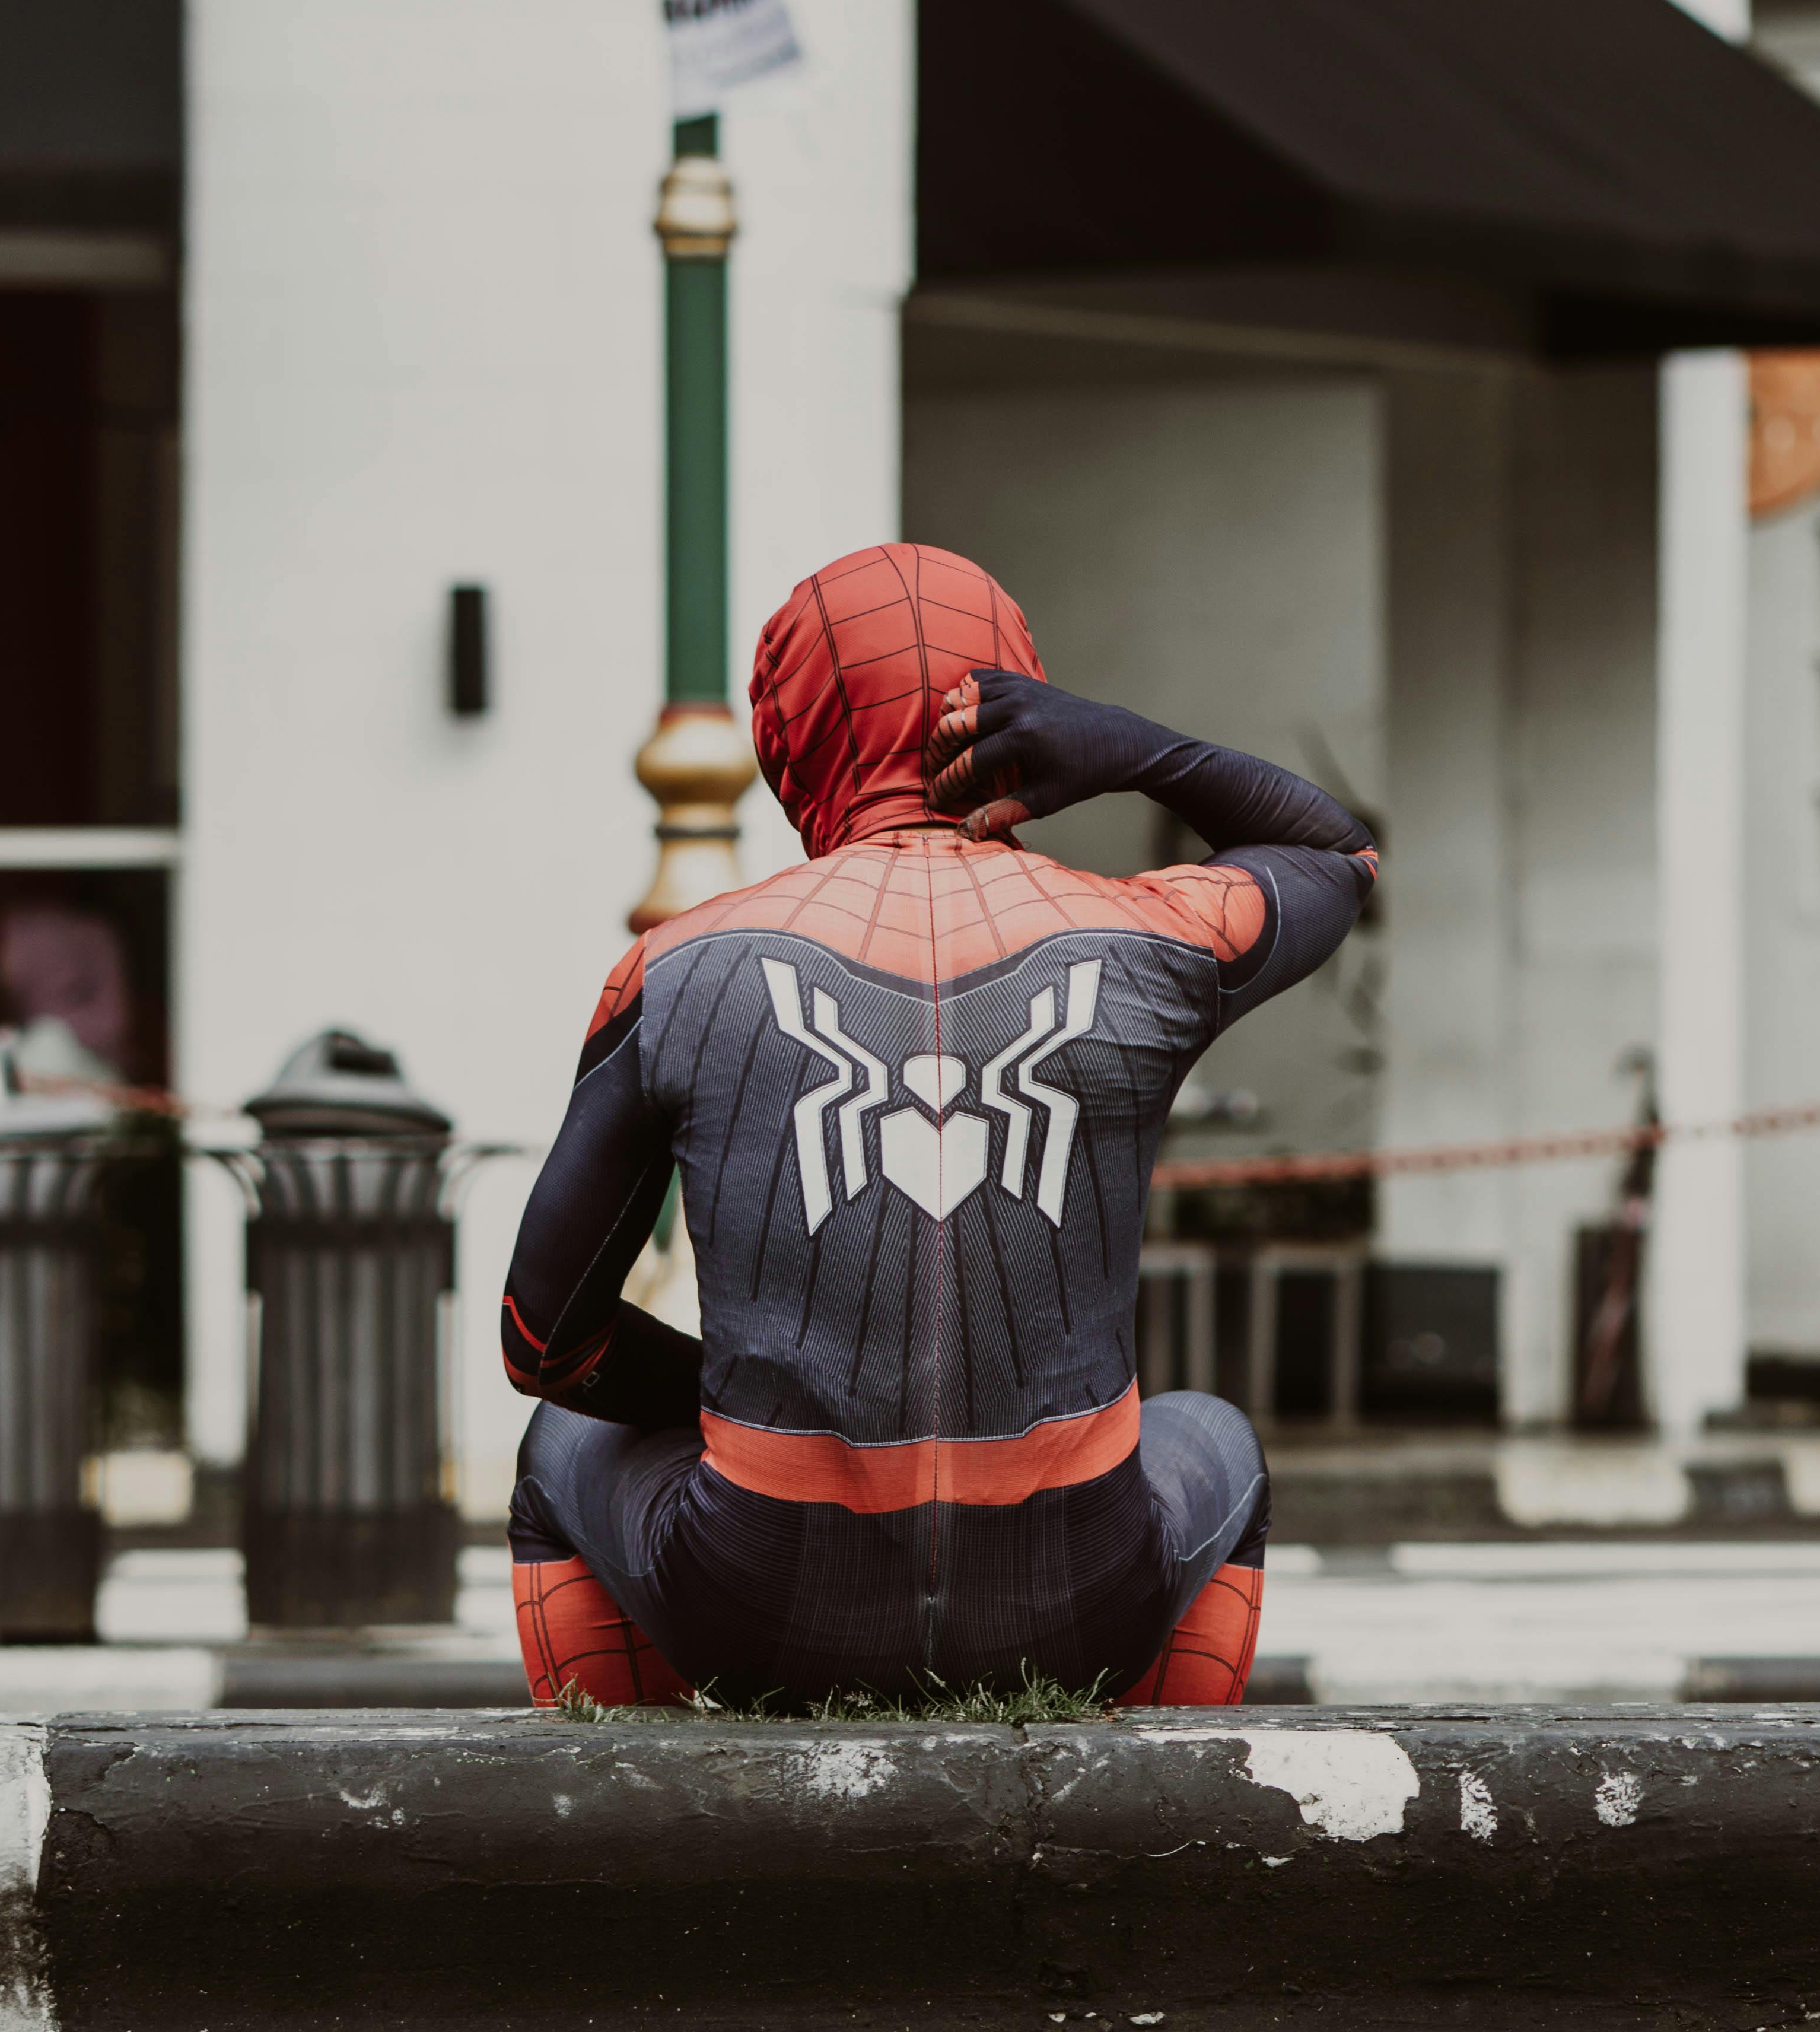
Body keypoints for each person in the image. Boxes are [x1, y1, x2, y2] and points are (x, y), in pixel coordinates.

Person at [502, 539, 1376, 1709]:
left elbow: (539, 1338)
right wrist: (1132, 749)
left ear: (788, 732)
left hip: (757, 1607)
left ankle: (632, 1839)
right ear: (1028, 699)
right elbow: (1334, 852)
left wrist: (755, 1394)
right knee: (1208, 1431)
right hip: (1074, 1603)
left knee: (560, 1447)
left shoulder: (673, 974)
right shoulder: (1150, 946)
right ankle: (1151, 1838)